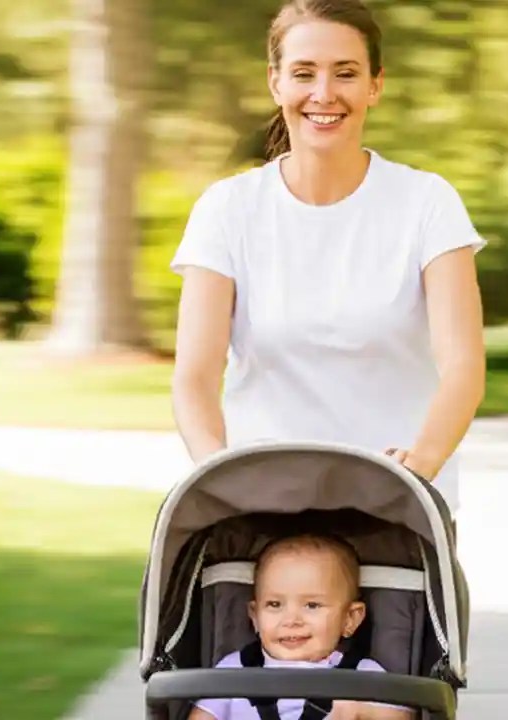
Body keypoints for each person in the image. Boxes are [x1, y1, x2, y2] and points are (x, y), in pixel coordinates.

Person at [170, 0, 486, 511]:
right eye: (303, 73)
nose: (324, 94)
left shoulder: (428, 203)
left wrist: (415, 472)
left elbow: (463, 367)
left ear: (375, 85)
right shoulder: (226, 209)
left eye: (345, 73)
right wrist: (220, 476)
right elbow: (194, 375)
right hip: (262, 509)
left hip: (397, 510)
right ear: (276, 84)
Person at [188, 534, 412, 720]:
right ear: (255, 617)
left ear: (349, 619)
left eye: (312, 605)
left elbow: (402, 717)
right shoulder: (234, 670)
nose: (291, 620)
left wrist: (359, 709)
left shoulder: (362, 676)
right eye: (275, 605)